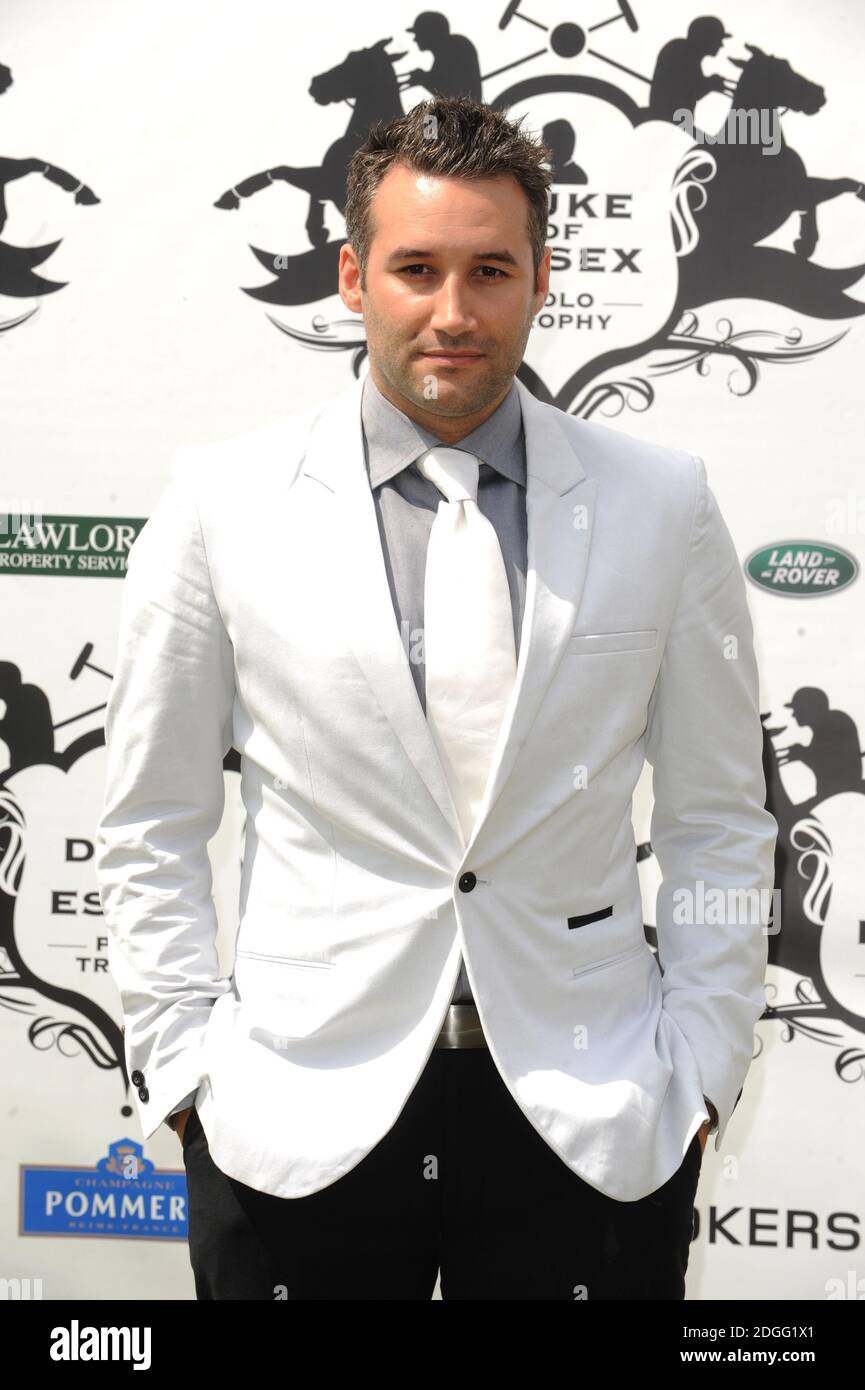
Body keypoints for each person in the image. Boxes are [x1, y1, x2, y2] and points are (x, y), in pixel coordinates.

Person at [95, 94, 776, 1300]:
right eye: (416, 268)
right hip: (293, 1120)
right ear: (354, 276)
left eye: (489, 270)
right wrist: (188, 1075)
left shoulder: (663, 501)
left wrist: (705, 1069)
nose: (452, 313)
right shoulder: (221, 504)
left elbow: (719, 817)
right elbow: (150, 820)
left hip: (592, 1114)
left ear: (540, 280)